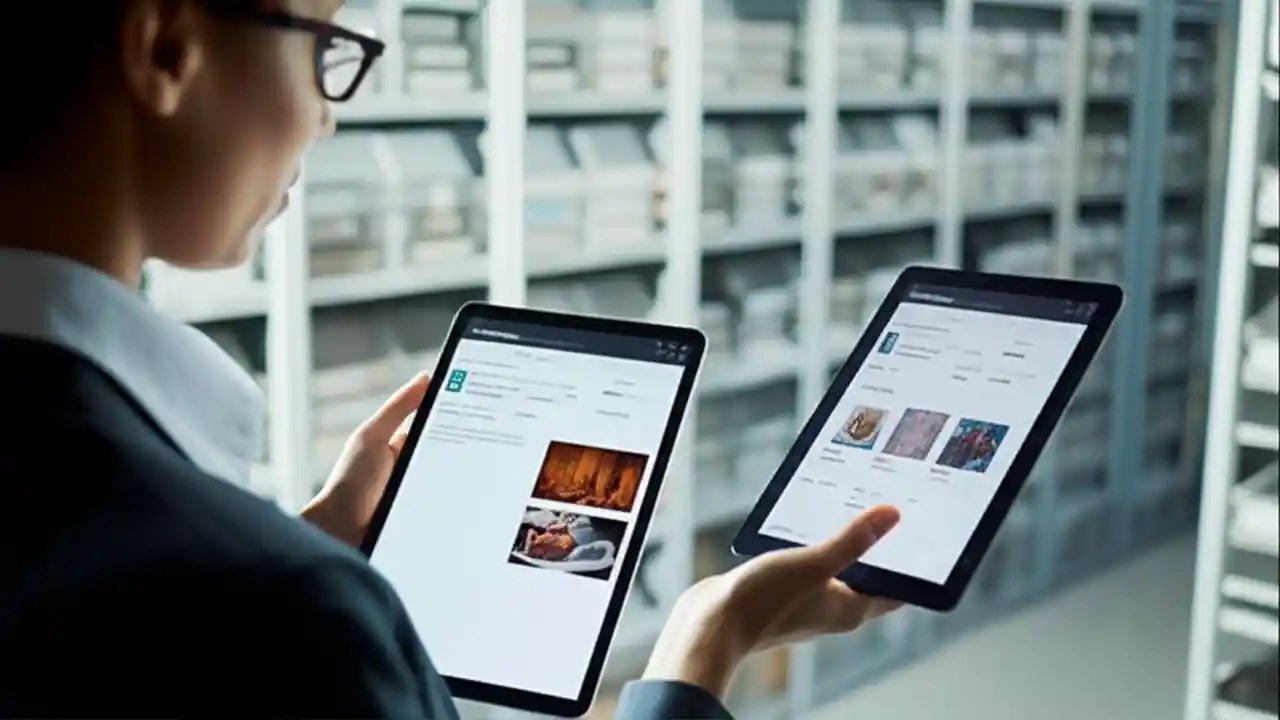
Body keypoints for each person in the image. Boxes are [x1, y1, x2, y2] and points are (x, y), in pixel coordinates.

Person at [0, 2, 902, 717]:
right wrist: (705, 646)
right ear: (165, 49)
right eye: (323, 47)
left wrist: (303, 544)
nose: (325, 118)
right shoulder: (287, 617)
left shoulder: (205, 572)